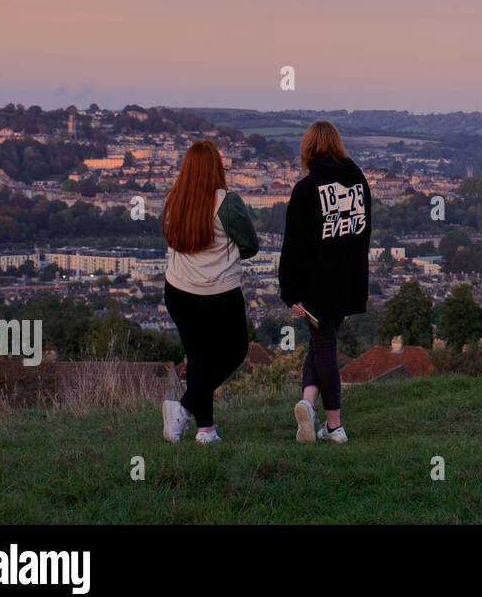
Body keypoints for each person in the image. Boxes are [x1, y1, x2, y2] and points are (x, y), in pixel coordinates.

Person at [159, 140, 259, 444]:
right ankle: (198, 423)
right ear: (217, 167)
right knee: (234, 350)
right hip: (219, 293)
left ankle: (200, 425)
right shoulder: (227, 203)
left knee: (199, 356)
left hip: (179, 290)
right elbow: (251, 246)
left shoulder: (173, 200)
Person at [280, 121, 371, 443]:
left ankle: (335, 426)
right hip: (349, 278)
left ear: (307, 149)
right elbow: (362, 234)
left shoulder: (307, 189)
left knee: (324, 345)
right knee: (321, 342)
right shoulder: (359, 183)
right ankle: (307, 402)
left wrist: (289, 291)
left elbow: (294, 245)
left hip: (317, 283)